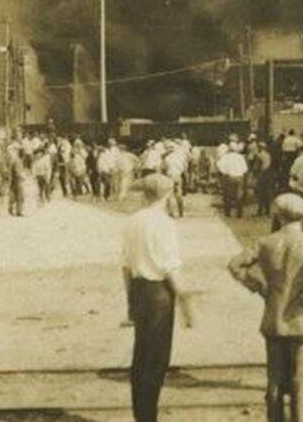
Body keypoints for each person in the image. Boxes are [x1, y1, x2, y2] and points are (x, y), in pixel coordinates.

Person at [228, 193, 303, 422]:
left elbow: (234, 265)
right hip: (302, 319)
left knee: (275, 382)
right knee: (300, 383)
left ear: (279, 215)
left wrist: (258, 286)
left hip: (273, 318)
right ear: (301, 217)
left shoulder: (265, 242)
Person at [121, 173, 195, 422]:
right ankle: (148, 418)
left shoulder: (132, 221)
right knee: (156, 359)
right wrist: (186, 304)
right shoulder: (164, 224)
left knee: (140, 356)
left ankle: (141, 416)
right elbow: (170, 267)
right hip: (159, 293)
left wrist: (130, 302)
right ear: (167, 194)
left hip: (139, 289)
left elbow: (125, 267)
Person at [216, 144, 248, 218]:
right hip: (240, 177)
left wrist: (224, 174)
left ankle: (228, 213)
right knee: (239, 196)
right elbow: (245, 169)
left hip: (230, 178)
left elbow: (219, 166)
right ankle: (239, 213)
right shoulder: (240, 157)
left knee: (228, 196)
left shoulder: (226, 157)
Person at [254, 142, 274, 217]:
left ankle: (260, 210)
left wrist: (255, 174)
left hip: (262, 174)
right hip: (268, 174)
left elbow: (256, 166)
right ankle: (267, 211)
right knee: (266, 192)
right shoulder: (268, 155)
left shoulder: (259, 155)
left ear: (260, 147)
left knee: (260, 193)